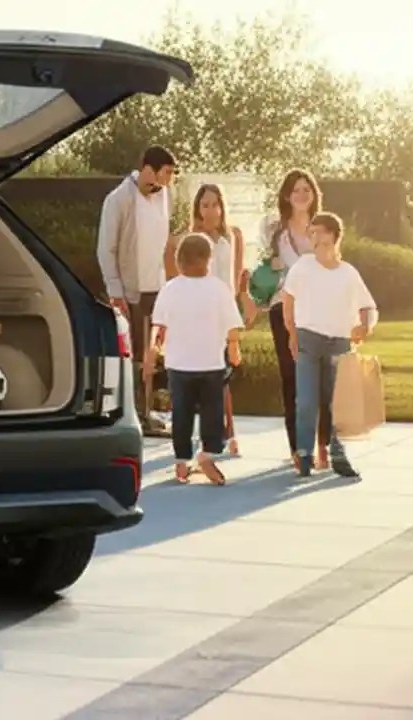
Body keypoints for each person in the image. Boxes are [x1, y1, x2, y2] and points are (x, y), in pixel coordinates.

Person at [281, 212, 378, 479]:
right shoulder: (303, 266)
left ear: (335, 235)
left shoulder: (348, 273)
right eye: (311, 233)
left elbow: (368, 306)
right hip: (308, 340)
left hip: (340, 344)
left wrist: (365, 326)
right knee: (307, 401)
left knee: (339, 403)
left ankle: (338, 454)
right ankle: (303, 454)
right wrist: (292, 333)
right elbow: (288, 302)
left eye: (320, 232)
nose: (315, 238)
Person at [166, 184, 259, 455]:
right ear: (198, 209)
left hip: (224, 308)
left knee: (224, 373)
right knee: (203, 374)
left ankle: (228, 431)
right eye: (204, 205)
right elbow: (176, 268)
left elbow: (240, 272)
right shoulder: (191, 238)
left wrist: (245, 299)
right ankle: (208, 434)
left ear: (222, 207)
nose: (210, 210)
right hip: (197, 311)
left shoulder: (233, 235)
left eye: (214, 204)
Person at [150, 233, 243, 485]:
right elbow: (232, 324)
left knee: (182, 414)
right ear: (209, 260)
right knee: (213, 414)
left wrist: (152, 351)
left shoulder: (170, 289)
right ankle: (207, 454)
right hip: (210, 364)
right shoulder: (219, 288)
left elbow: (158, 326)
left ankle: (182, 461)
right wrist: (234, 348)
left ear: (179, 261)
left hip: (179, 365)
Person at [96, 145, 178, 436]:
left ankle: (147, 413)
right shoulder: (118, 200)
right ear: (149, 168)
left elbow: (164, 244)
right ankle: (133, 416)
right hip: (131, 290)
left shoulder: (165, 195)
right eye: (167, 172)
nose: (170, 178)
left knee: (152, 354)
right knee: (133, 355)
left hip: (157, 287)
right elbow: (106, 249)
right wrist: (115, 290)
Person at [261, 168, 332, 469]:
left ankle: (323, 445)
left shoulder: (324, 228)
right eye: (296, 190)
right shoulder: (274, 229)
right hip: (284, 311)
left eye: (307, 189)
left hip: (319, 312)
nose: (302, 195)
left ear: (314, 194)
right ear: (287, 196)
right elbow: (269, 269)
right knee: (291, 379)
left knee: (323, 380)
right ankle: (298, 448)